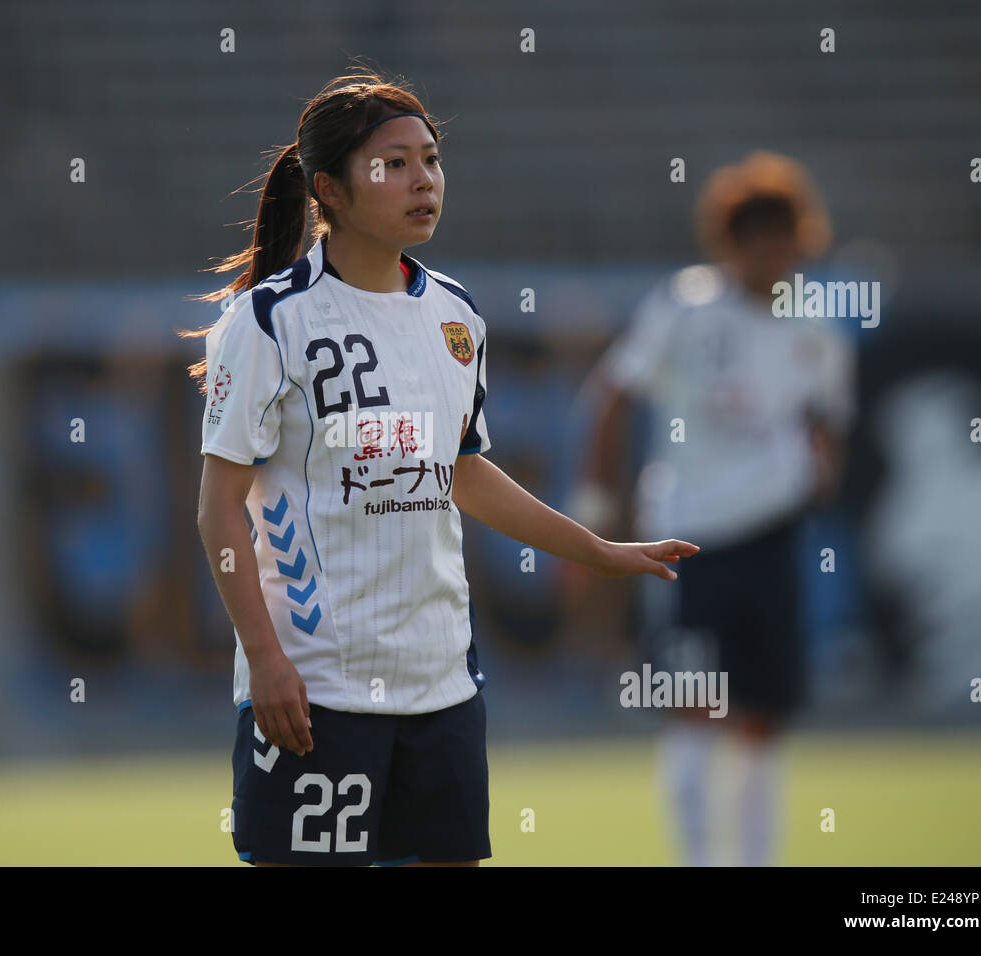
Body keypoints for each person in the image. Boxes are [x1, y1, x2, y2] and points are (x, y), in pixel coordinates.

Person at [185, 67, 699, 867]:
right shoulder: (267, 321)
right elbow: (220, 510)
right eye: (394, 164)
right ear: (331, 188)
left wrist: (597, 549)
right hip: (316, 686)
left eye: (430, 159)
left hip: (442, 683)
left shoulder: (455, 316)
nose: (423, 180)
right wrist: (265, 658)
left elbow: (462, 472)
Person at [571, 151, 855, 865]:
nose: (771, 251)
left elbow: (827, 426)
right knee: (694, 710)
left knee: (762, 718)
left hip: (772, 541)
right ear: (729, 242)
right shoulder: (684, 306)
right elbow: (612, 394)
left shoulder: (815, 328)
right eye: (755, 235)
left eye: (782, 235)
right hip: (689, 539)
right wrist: (598, 506)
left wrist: (819, 471)